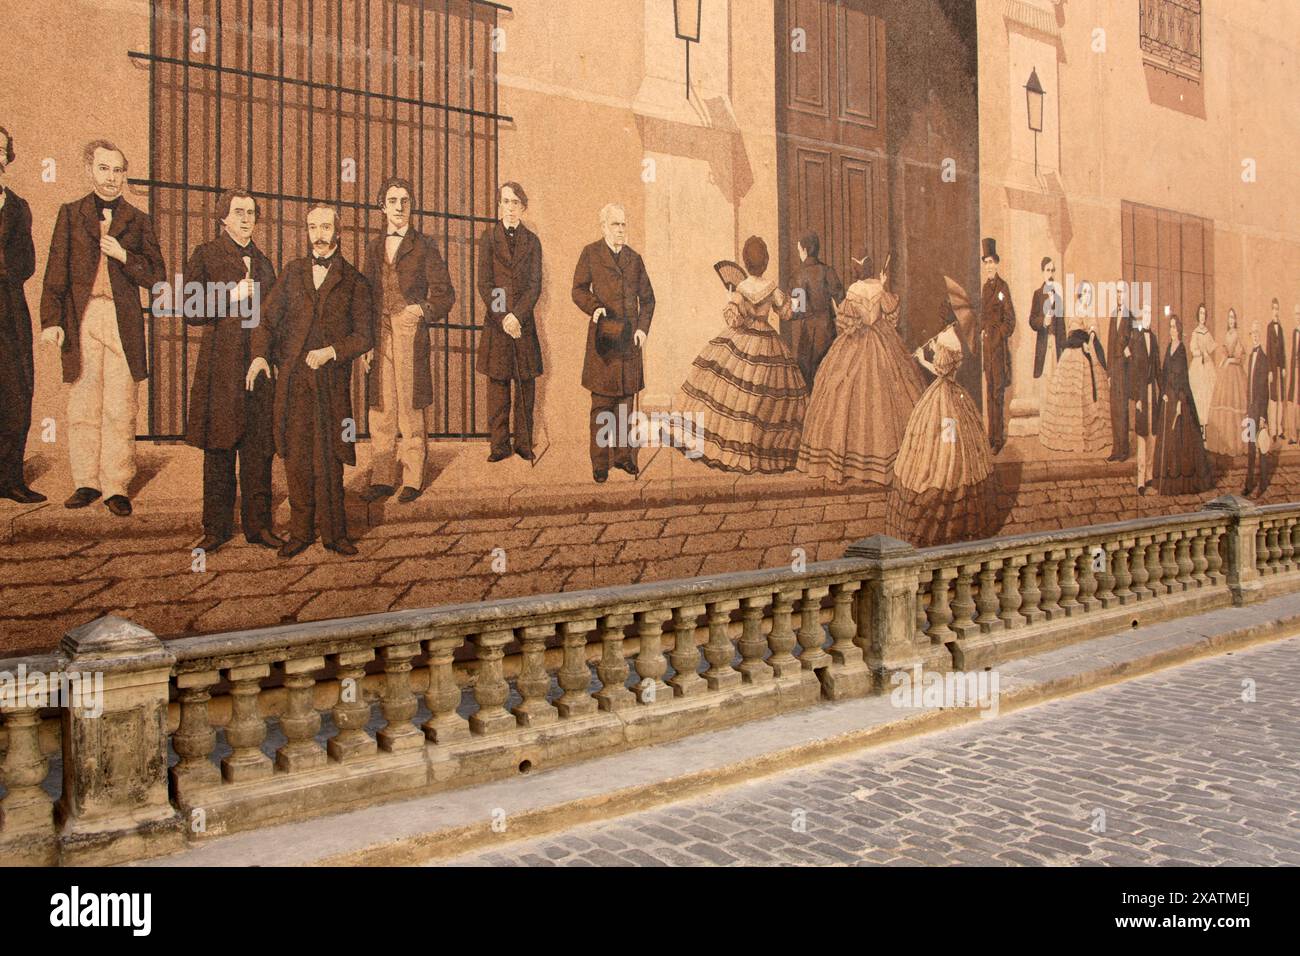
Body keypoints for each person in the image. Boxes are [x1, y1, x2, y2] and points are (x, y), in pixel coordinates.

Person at [40, 140, 165, 517]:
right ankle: (86, 482)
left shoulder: (138, 219)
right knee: (83, 402)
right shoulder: (70, 213)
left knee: (121, 405)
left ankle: (116, 484)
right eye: (104, 169)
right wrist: (51, 322)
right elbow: (54, 274)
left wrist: (125, 256)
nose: (111, 178)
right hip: (82, 319)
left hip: (122, 320)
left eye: (118, 171)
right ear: (89, 170)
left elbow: (156, 276)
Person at [248, 204, 373, 558]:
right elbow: (267, 322)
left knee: (329, 459)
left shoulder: (355, 281)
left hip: (331, 384)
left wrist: (332, 351)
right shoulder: (292, 273)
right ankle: (300, 532)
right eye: (312, 227)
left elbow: (364, 336)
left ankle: (335, 534)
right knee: (297, 459)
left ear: (339, 231)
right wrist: (260, 355)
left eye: (325, 227)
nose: (318, 234)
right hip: (293, 381)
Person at [183, 188, 280, 553]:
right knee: (219, 449)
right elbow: (191, 311)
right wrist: (231, 295)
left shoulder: (266, 263)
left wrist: (267, 356)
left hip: (257, 367)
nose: (245, 219)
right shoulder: (206, 255)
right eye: (238, 212)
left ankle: (259, 527)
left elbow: (273, 319)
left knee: (258, 450)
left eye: (251, 213)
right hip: (221, 368)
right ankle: (216, 529)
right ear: (223, 217)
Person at [360, 177, 456, 504]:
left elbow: (445, 295)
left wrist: (420, 310)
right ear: (382, 206)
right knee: (381, 407)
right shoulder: (373, 248)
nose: (399, 207)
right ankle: (383, 477)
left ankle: (413, 476)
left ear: (411, 206)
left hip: (409, 332)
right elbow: (364, 297)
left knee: (410, 405)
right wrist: (365, 345)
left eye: (405, 201)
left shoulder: (425, 246)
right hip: (378, 333)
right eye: (392, 201)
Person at [677, 235, 805, 474]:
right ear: (765, 261)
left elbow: (733, 319)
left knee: (738, 395)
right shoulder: (771, 288)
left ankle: (741, 449)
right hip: (767, 340)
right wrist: (798, 299)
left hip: (743, 339)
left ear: (746, 262)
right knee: (766, 397)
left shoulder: (742, 288)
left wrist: (731, 301)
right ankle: (761, 450)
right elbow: (787, 312)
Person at [796, 252, 923, 483]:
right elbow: (892, 319)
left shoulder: (854, 290)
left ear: (855, 270)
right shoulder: (879, 288)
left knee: (843, 395)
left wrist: (840, 312)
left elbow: (847, 325)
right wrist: (882, 287)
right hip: (883, 341)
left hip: (852, 344)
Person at [887, 310, 997, 547]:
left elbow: (941, 371)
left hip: (943, 397)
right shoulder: (951, 339)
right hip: (952, 395)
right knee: (952, 445)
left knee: (945, 447)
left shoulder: (948, 340)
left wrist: (922, 358)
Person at [572, 203, 655, 482]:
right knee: (602, 402)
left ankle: (623, 457)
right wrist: (594, 308)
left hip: (629, 342)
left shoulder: (635, 259)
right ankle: (600, 462)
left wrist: (643, 329)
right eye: (615, 225)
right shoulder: (591, 253)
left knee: (625, 402)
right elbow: (578, 289)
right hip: (604, 339)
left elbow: (648, 299)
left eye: (623, 225)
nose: (620, 230)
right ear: (603, 227)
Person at [477, 182, 543, 463]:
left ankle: (524, 444)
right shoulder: (488, 239)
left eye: (516, 202)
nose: (511, 207)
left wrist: (518, 315)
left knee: (525, 385)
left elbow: (534, 284)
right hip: (497, 323)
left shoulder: (532, 241)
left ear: (523, 206)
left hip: (523, 323)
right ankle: (499, 445)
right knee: (498, 386)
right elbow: (485, 282)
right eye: (506, 201)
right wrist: (504, 317)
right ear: (499, 205)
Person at [0, 124, 44, 504]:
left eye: (1, 150)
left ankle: (10, 478)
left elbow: (26, 263)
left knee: (16, 392)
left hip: (9, 306)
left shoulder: (17, 206)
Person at [1039, 283, 1110, 456]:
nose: (1086, 295)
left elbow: (1093, 328)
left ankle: (1089, 436)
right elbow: (1070, 331)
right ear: (1079, 294)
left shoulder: (1090, 311)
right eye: (1084, 292)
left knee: (1086, 394)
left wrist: (1090, 339)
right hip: (1071, 353)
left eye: (1089, 292)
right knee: (1067, 394)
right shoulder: (1074, 310)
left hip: (1085, 352)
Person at [1151, 314, 1213, 496]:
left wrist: (1179, 402)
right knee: (1167, 440)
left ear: (1179, 330)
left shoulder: (1182, 350)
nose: (1172, 331)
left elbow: (1183, 378)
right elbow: (1164, 372)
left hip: (1179, 400)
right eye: (1170, 327)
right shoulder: (1169, 347)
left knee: (1180, 439)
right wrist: (1163, 393)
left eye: (1174, 327)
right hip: (1167, 399)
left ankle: (1181, 484)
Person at [786, 232, 844, 390]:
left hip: (809, 334)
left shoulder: (798, 275)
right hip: (829, 331)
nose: (799, 254)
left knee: (808, 379)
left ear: (804, 250)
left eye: (799, 251)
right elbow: (842, 301)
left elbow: (797, 310)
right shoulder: (828, 271)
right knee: (829, 376)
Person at [978, 238, 1014, 454]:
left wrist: (998, 334)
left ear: (997, 264)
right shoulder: (984, 288)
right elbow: (983, 314)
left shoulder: (1003, 288)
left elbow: (1011, 320)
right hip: (987, 348)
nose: (989, 266)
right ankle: (991, 436)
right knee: (990, 390)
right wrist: (983, 328)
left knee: (998, 393)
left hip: (998, 349)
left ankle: (998, 439)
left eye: (991, 262)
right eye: (986, 263)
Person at [1205, 308, 1247, 458]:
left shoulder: (1237, 334)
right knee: (1222, 402)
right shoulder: (1226, 335)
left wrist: (1230, 360)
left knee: (1235, 404)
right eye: (1229, 318)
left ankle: (1236, 443)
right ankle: (1225, 442)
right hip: (1225, 373)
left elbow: (1240, 357)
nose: (1231, 320)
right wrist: (1223, 361)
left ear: (1235, 320)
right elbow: (1224, 352)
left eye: (1233, 318)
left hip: (1235, 373)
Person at [1131, 307, 1161, 494]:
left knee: (1153, 434)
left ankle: (1150, 474)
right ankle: (1140, 479)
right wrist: (1137, 398)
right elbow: (1134, 371)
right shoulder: (1137, 339)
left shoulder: (1155, 339)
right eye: (1145, 315)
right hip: (1142, 393)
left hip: (1152, 392)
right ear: (1141, 318)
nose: (1148, 318)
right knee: (1142, 436)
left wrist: (1164, 390)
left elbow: (1157, 368)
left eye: (1151, 314)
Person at [1105, 281, 1136, 462]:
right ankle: (1115, 449)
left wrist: (1129, 348)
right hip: (1114, 370)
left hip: (1124, 370)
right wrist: (1109, 373)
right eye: (1117, 292)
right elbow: (1109, 345)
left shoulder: (1130, 317)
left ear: (1126, 295)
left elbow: (1135, 338)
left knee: (1123, 409)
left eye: (1122, 292)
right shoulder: (1112, 315)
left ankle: (1124, 450)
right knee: (1114, 409)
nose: (1119, 295)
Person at [1243, 323, 1273, 497]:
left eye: (1256, 333)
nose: (1254, 336)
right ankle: (1248, 484)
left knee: (1261, 447)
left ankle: (1262, 484)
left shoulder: (1264, 358)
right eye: (1251, 333)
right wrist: (1248, 409)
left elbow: (1264, 390)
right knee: (1251, 447)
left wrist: (1262, 416)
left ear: (1259, 335)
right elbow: (1250, 386)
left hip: (1260, 411)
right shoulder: (1250, 357)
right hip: (1251, 410)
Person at [1028, 256, 1064, 383]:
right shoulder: (1038, 294)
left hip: (1056, 344)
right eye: (1048, 270)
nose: (1051, 274)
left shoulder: (1058, 297)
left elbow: (1062, 327)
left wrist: (1063, 349)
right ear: (1043, 272)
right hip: (1043, 344)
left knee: (1057, 381)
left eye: (1053, 270)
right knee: (1044, 382)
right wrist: (1043, 321)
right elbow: (1032, 320)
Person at [1187, 303, 1217, 434]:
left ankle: (1207, 431)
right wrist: (1201, 351)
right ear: (1197, 315)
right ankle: (1199, 430)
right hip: (1198, 367)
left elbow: (1212, 346)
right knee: (1198, 397)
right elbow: (1193, 350)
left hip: (1208, 366)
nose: (1202, 316)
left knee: (1208, 396)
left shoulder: (1207, 332)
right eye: (1200, 313)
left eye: (1204, 313)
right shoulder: (1195, 332)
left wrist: (1207, 351)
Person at [1266, 298, 1286, 440]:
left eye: (1277, 308)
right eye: (1273, 308)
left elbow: (1283, 350)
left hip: (1280, 368)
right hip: (1273, 369)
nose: (1275, 311)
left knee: (1280, 399)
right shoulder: (1269, 328)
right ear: (1271, 310)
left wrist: (1283, 367)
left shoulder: (1281, 328)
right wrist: (1270, 370)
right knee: (1273, 399)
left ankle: (1279, 429)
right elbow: (1268, 349)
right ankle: (1272, 430)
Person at [1287, 304, 1300, 443]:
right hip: (1295, 372)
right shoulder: (1294, 332)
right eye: (1296, 314)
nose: (1298, 317)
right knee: (1293, 402)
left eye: (1299, 314)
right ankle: (1293, 435)